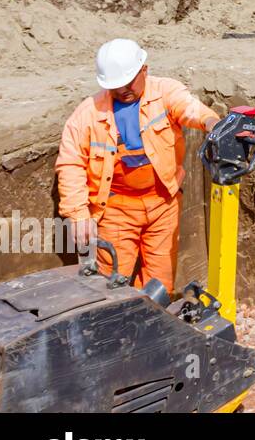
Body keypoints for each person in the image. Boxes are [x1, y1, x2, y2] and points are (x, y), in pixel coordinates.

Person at [55, 39, 221, 293]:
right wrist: (78, 214)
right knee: (108, 285)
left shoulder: (164, 92)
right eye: (116, 86)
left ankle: (151, 328)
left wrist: (212, 123)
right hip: (115, 210)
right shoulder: (87, 114)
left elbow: (189, 108)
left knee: (159, 284)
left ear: (144, 69)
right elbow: (70, 162)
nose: (123, 90)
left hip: (163, 204)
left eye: (128, 82)